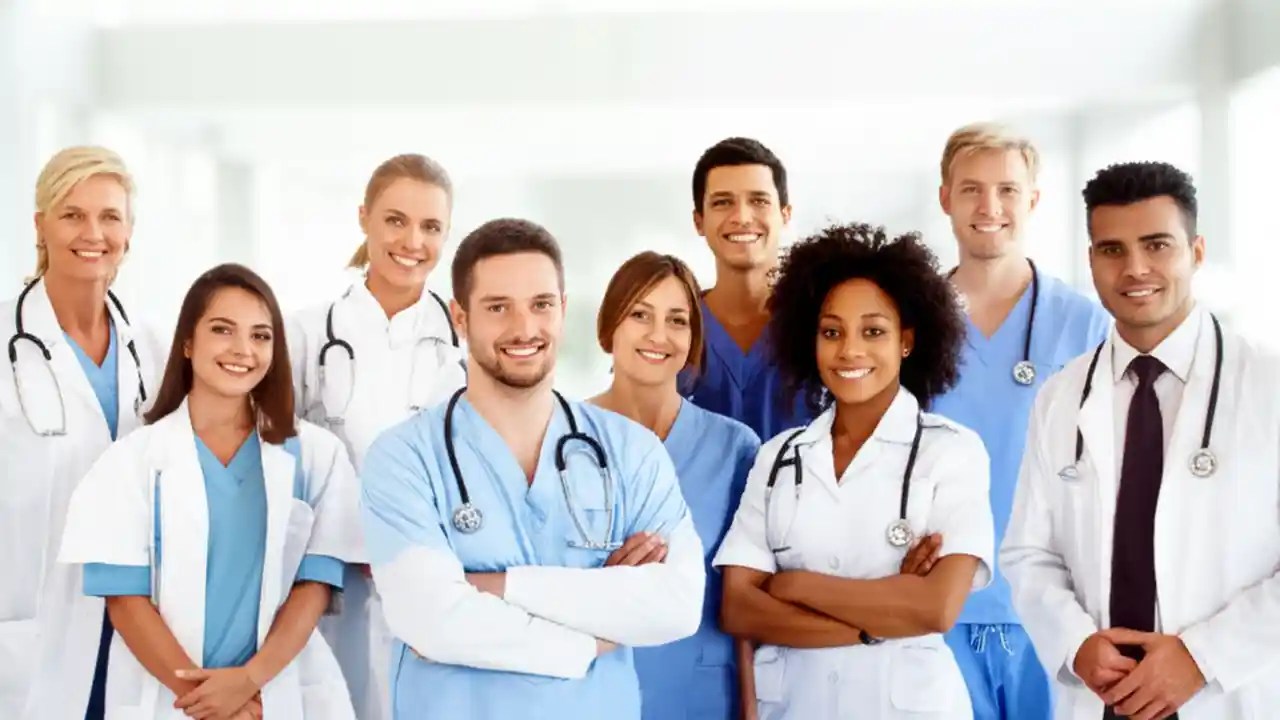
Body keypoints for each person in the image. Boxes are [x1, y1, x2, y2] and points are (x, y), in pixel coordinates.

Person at [359, 218, 705, 719]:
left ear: (563, 310)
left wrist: (490, 587)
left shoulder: (632, 451)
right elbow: (432, 618)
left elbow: (676, 604)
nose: (524, 329)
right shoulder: (403, 458)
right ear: (460, 318)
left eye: (541, 305)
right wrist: (591, 640)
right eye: (498, 308)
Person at [1002, 162, 1280, 720]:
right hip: (1101, 700)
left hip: (1230, 696)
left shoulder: (1267, 387)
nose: (1135, 269)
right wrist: (1076, 642)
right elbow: (1029, 554)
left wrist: (1203, 657)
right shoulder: (1061, 397)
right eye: (1112, 250)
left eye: (1157, 245)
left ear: (1196, 252)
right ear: (1090, 260)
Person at [714, 222, 995, 720]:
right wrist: (877, 619)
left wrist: (794, 586)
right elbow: (739, 608)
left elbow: (935, 609)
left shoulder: (951, 452)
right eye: (831, 332)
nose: (850, 351)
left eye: (874, 331)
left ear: (906, 341)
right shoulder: (778, 458)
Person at [57, 263, 363, 720]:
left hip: (276, 695)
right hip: (172, 698)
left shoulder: (316, 455)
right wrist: (211, 704)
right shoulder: (133, 461)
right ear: (187, 342)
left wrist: (248, 682)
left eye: (261, 336)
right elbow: (125, 600)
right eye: (223, 330)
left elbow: (315, 585)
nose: (243, 350)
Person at [929, 123, 1111, 720]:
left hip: (1054, 611)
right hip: (937, 605)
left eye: (1008, 190)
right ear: (945, 199)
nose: (990, 207)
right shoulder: (908, 324)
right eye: (971, 189)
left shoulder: (1085, 324)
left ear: (1033, 200)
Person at [287, 153, 465, 720]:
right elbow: (275, 457)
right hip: (331, 576)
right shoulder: (308, 331)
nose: (412, 240)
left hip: (435, 572)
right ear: (364, 218)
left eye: (431, 227)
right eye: (395, 220)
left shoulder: (465, 338)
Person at [0, 146, 167, 720]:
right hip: (28, 632)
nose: (92, 232)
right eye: (72, 214)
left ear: (129, 230)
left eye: (109, 216)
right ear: (40, 224)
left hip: (131, 631)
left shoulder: (154, 347)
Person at [589, 251, 760, 720]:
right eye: (640, 314)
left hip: (702, 690)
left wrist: (751, 707)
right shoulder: (561, 436)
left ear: (694, 339)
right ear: (609, 329)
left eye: (677, 320)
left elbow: (745, 595)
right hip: (592, 685)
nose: (658, 335)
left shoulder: (734, 448)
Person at [679, 137, 813, 440]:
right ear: (699, 221)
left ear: (785, 214)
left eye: (759, 201)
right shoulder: (672, 330)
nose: (741, 217)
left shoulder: (821, 328)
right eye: (722, 202)